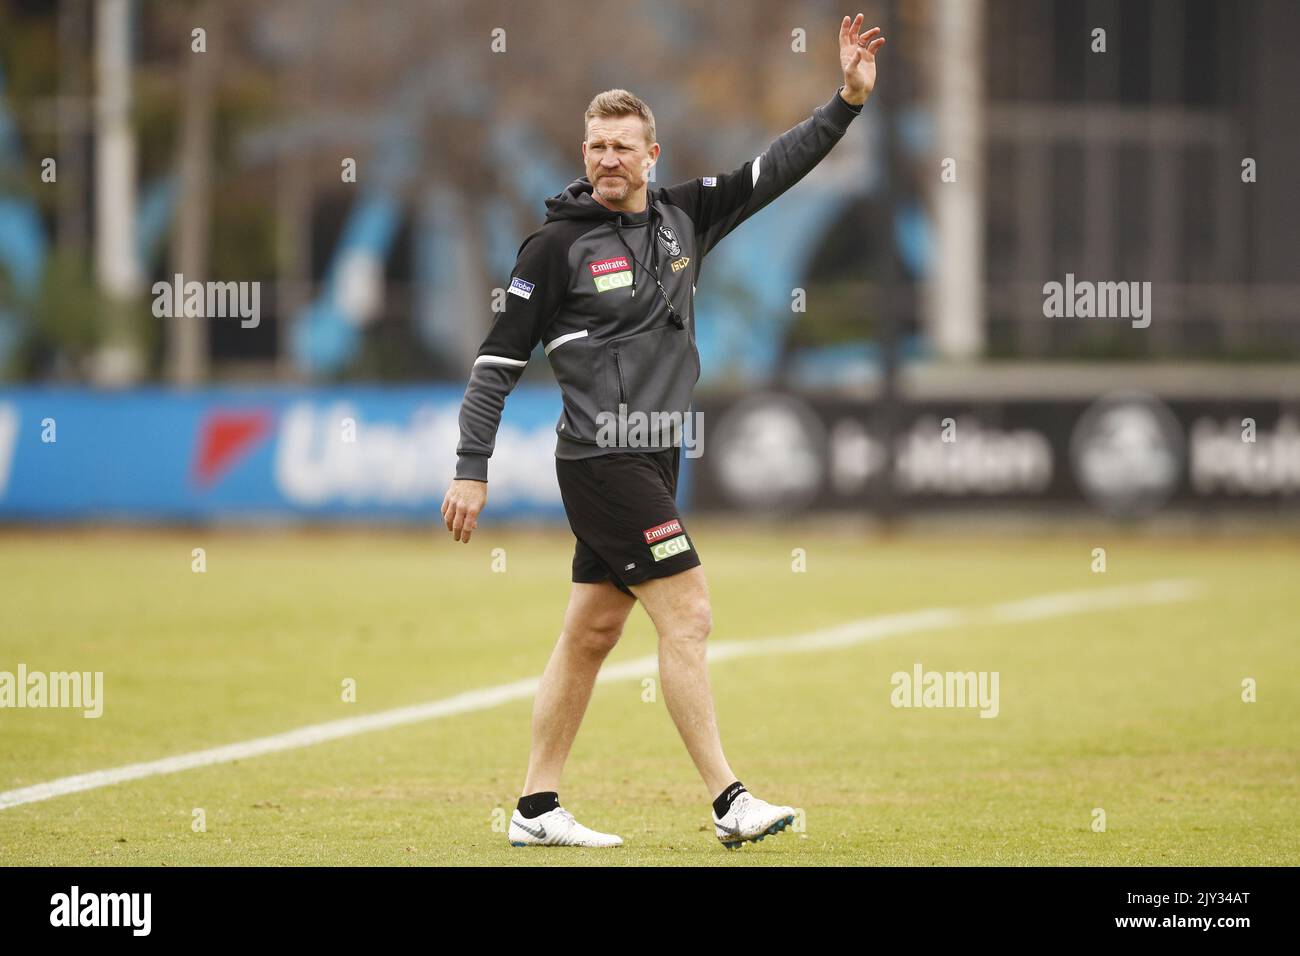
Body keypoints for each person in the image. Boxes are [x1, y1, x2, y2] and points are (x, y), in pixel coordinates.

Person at [442, 15, 886, 849]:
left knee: (594, 633)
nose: (607, 158)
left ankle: (535, 810)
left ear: (653, 154)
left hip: (656, 453)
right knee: (689, 616)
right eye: (595, 145)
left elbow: (774, 169)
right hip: (602, 458)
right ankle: (730, 801)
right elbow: (496, 362)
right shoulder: (550, 250)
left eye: (623, 146)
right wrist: (472, 466)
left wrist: (847, 103)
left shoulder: (687, 218)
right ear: (583, 156)